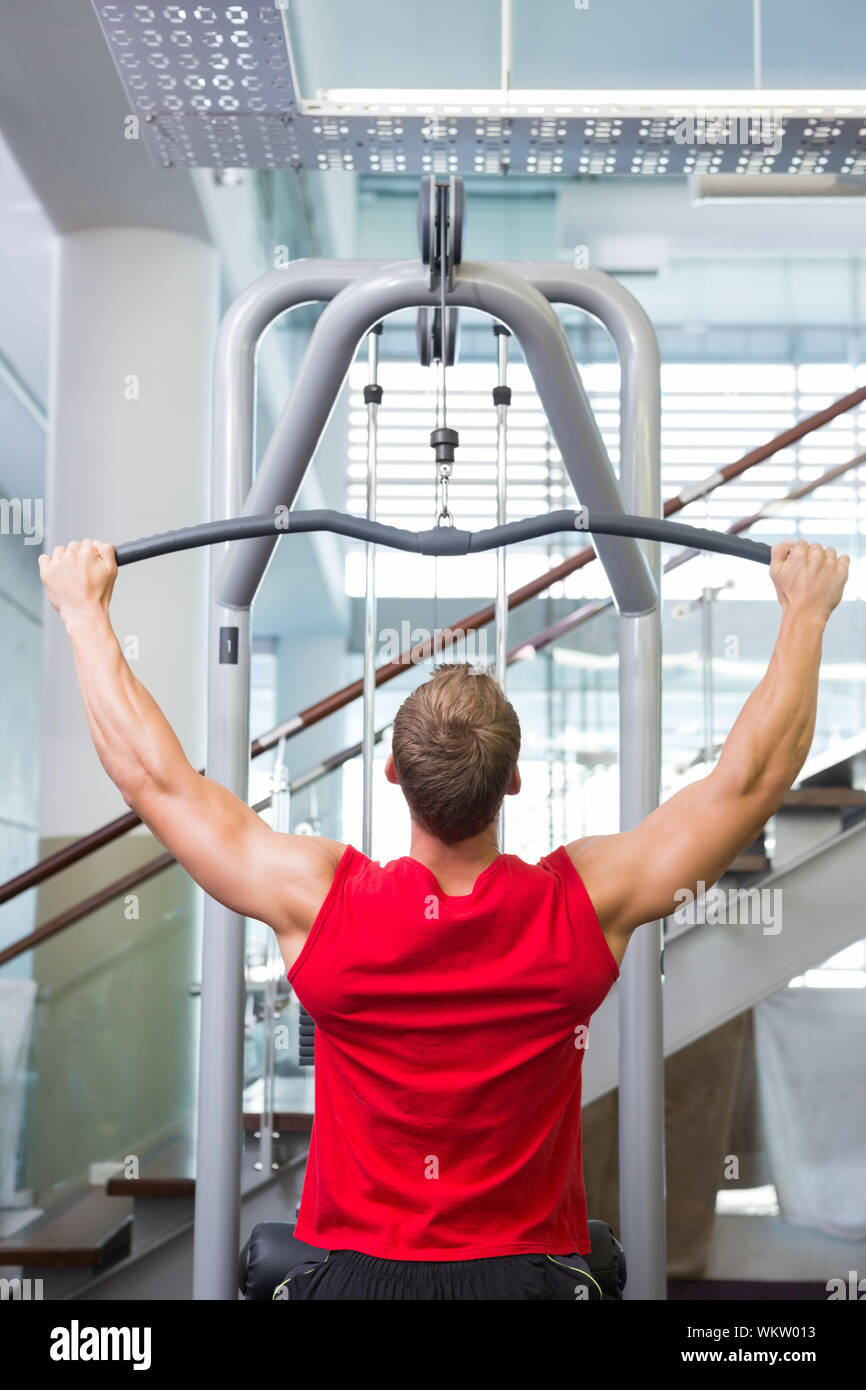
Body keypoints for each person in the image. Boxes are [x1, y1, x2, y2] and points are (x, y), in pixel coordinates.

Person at [39, 535, 849, 1300]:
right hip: (523, 1282)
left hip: (357, 1280)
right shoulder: (584, 901)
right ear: (515, 784)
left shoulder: (320, 900)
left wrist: (84, 611)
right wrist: (803, 613)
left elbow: (155, 780)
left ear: (390, 774)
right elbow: (749, 783)